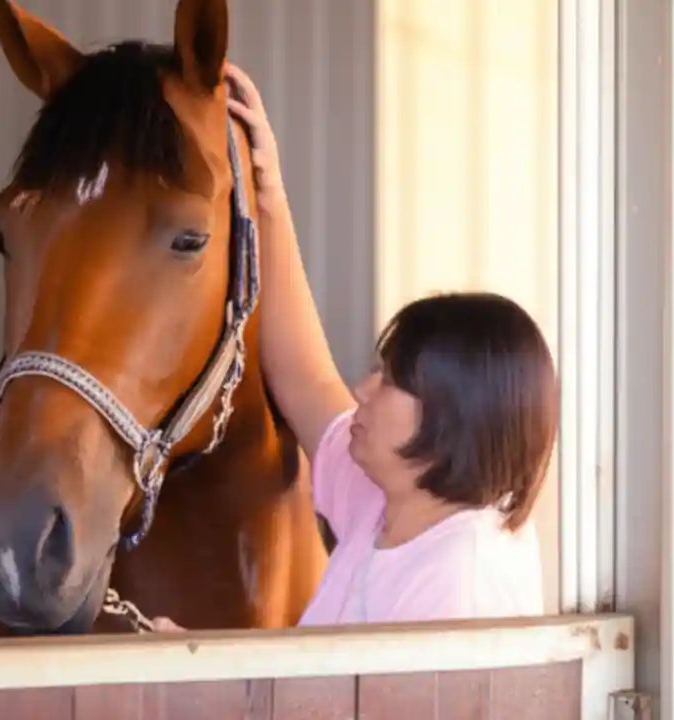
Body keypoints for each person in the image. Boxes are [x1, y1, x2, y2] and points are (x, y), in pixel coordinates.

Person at [149, 64, 558, 631]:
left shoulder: (460, 579)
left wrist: (202, 684)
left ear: (452, 414)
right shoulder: (385, 504)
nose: (362, 390)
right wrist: (267, 191)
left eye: (390, 381)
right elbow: (303, 378)